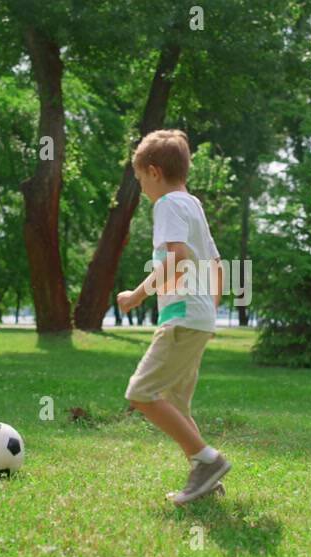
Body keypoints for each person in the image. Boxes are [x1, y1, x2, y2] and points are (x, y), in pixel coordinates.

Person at [117, 129, 230, 505]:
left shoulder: (166, 205)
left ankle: (208, 461)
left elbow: (177, 257)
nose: (142, 188)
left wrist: (136, 295)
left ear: (153, 171)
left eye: (139, 180)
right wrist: (209, 314)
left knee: (141, 393)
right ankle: (205, 481)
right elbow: (215, 264)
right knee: (176, 404)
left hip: (181, 318)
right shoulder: (192, 204)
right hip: (197, 318)